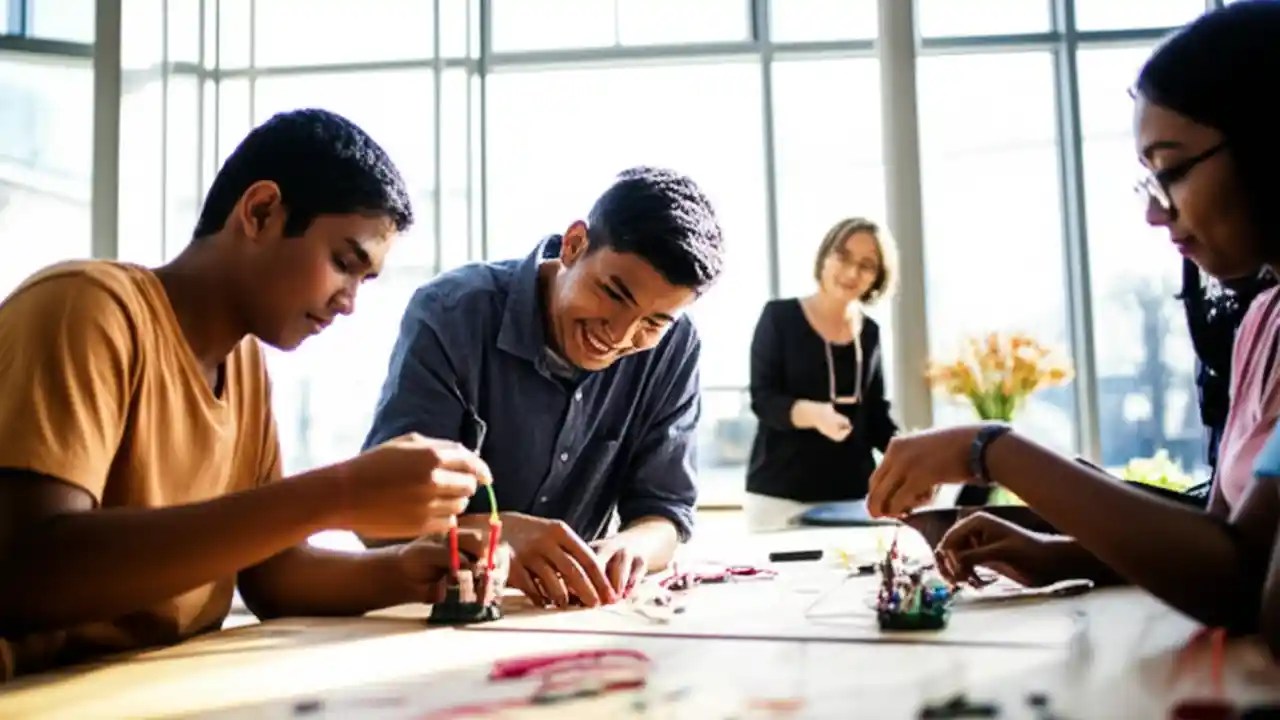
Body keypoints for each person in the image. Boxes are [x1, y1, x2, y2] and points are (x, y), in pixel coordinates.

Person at [0, 109, 496, 680]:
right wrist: (340, 492)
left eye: (364, 280)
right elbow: (29, 568)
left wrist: (404, 569)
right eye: (343, 263)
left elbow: (269, 574)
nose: (348, 302)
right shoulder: (87, 308)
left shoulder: (245, 369)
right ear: (260, 212)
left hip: (159, 687)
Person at [867, 0, 1280, 650]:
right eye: (1149, 181)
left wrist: (988, 448)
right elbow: (1221, 534)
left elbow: (1240, 579)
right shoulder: (1262, 322)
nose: (1156, 213)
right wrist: (1060, 555)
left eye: (1170, 172)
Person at [362, 166, 725, 609]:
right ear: (574, 245)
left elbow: (666, 512)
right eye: (614, 293)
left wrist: (631, 548)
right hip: (431, 609)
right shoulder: (453, 314)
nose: (620, 334)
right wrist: (499, 534)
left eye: (653, 322)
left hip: (568, 620)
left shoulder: (676, 347)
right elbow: (379, 521)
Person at [744, 217, 898, 530]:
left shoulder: (870, 333)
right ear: (825, 256)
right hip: (780, 497)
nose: (852, 272)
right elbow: (764, 400)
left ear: (878, 277)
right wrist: (813, 414)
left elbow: (876, 416)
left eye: (867, 265)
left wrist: (912, 457)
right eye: (843, 257)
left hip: (853, 497)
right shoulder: (779, 318)